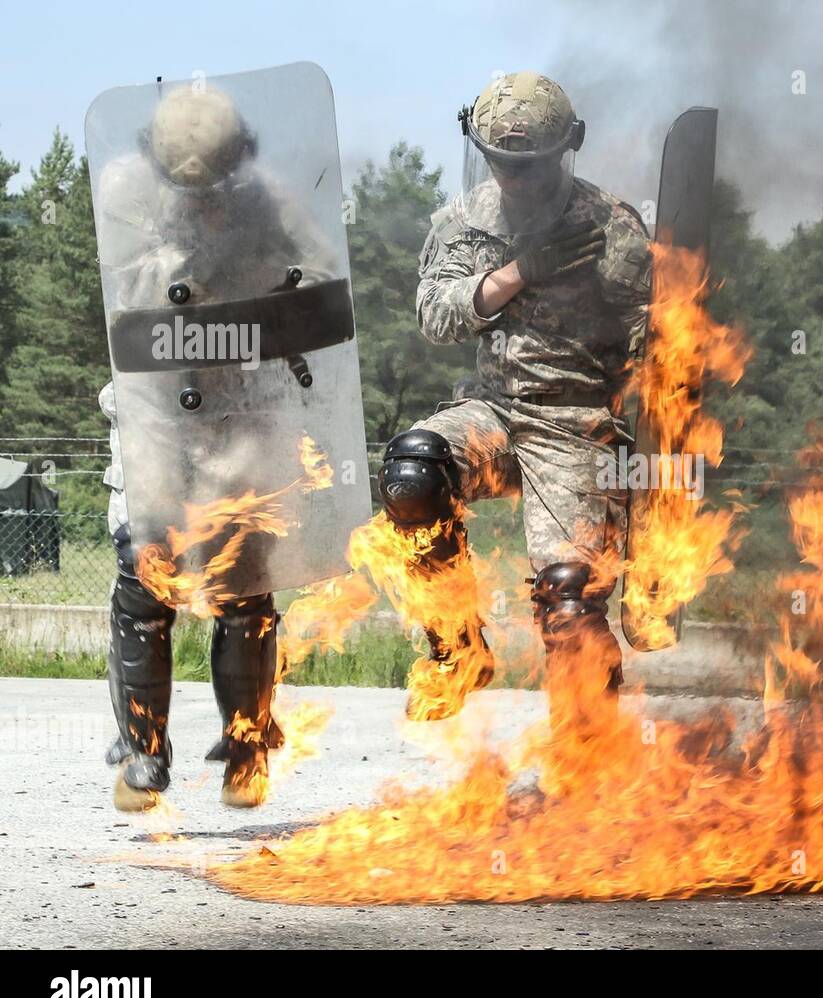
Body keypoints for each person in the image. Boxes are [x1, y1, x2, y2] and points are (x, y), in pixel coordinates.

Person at [377, 71, 651, 723]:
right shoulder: (465, 220)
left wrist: (651, 469)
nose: (515, 180)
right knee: (414, 471)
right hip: (493, 413)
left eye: (528, 166)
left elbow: (660, 348)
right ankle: (458, 649)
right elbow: (437, 318)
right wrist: (518, 273)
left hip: (576, 426)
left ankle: (587, 767)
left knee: (568, 598)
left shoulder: (611, 227)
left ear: (566, 147)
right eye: (502, 164)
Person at [97, 84, 338, 811]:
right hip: (156, 407)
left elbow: (326, 283)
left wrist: (271, 299)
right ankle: (144, 753)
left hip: (241, 409)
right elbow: (114, 290)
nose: (205, 199)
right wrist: (174, 276)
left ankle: (246, 746)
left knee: (245, 584)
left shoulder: (270, 201)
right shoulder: (124, 193)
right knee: (144, 571)